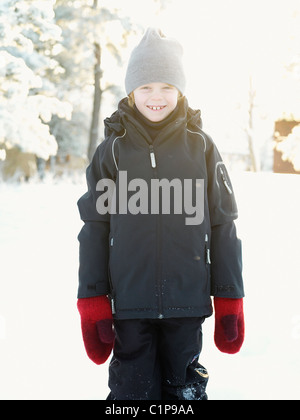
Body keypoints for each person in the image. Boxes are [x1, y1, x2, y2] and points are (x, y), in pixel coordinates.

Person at [76, 28, 245, 400]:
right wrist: (92, 298)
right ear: (131, 90)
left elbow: (223, 223)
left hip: (187, 303)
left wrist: (229, 295)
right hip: (129, 306)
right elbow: (95, 228)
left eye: (167, 86)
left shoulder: (201, 147)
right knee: (130, 394)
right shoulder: (112, 152)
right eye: (146, 87)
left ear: (181, 90)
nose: (156, 97)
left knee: (183, 394)